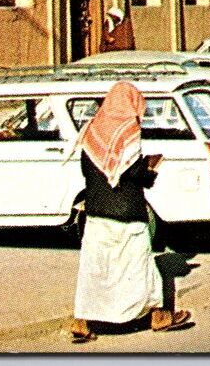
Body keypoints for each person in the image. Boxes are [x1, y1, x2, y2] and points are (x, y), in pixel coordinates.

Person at [67, 81, 190, 343]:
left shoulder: (91, 131)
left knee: (96, 267)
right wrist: (150, 172)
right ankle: (159, 316)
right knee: (139, 265)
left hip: (97, 211)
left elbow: (88, 171)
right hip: (128, 212)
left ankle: (82, 321)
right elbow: (132, 172)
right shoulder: (128, 130)